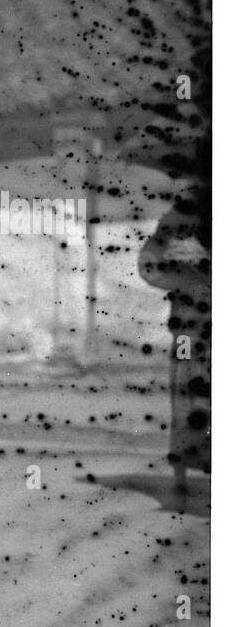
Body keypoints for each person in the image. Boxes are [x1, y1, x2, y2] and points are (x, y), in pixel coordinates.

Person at [138, 184, 211, 493]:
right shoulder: (182, 214)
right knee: (184, 392)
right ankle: (182, 466)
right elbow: (149, 264)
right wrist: (177, 262)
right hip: (188, 328)